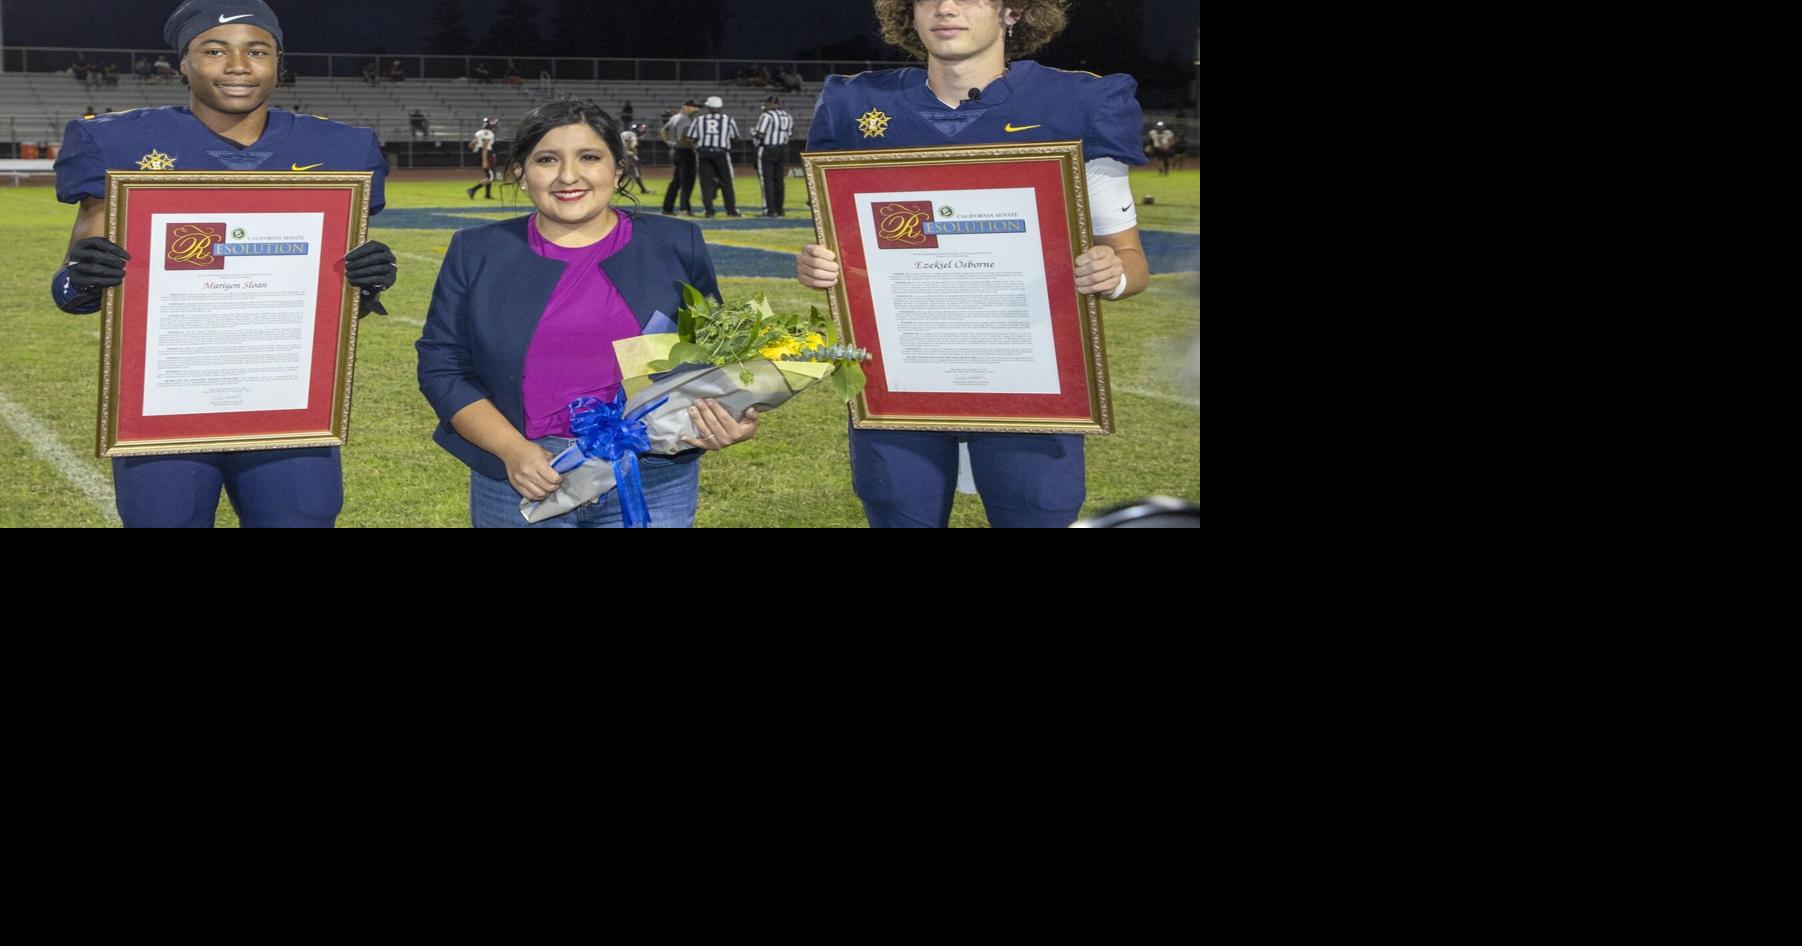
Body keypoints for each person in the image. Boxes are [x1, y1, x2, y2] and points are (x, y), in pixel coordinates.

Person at [795, 0, 1150, 528]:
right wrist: (820, 266)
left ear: (1013, 11)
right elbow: (848, 246)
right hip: (903, 374)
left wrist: (1112, 274)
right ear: (906, 14)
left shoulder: (1076, 101)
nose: (946, 7)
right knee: (898, 511)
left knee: (1036, 513)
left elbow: (1131, 261)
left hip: (1028, 376)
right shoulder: (857, 105)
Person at [50, 0, 397, 528]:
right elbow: (72, 287)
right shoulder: (115, 141)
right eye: (215, 50)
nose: (238, 65)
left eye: (257, 51)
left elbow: (331, 298)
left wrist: (364, 284)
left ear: (278, 62)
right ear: (182, 63)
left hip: (285, 398)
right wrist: (84, 276)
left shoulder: (340, 148)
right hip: (167, 402)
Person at [417, 99, 757, 529]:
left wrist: (734, 414)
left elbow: (714, 353)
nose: (568, 176)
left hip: (652, 474)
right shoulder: (477, 251)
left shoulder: (676, 243)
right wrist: (512, 450)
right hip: (523, 475)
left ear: (618, 168)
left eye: (589, 157)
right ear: (521, 173)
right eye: (546, 160)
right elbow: (442, 367)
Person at [691, 95, 740, 217]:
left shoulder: (699, 120)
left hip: (704, 152)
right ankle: (731, 210)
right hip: (721, 152)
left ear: (708, 107)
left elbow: (691, 137)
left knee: (706, 183)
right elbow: (735, 137)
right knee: (727, 182)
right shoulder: (728, 120)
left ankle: (709, 211)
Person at [752, 96, 793, 216]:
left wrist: (753, 133)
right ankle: (779, 209)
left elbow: (760, 134)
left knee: (766, 180)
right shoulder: (787, 116)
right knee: (779, 180)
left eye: (766, 103)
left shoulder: (766, 116)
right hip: (781, 150)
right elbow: (789, 135)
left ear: (770, 104)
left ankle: (769, 209)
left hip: (767, 149)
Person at [659, 99, 699, 216]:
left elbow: (663, 131)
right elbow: (683, 139)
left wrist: (670, 143)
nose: (696, 109)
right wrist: (695, 147)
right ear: (685, 107)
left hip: (676, 151)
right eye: (693, 107)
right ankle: (684, 208)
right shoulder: (685, 119)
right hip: (685, 152)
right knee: (687, 182)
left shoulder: (674, 117)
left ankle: (667, 207)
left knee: (676, 182)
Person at [466, 116, 500, 199]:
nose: (496, 128)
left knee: (489, 174)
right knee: (492, 177)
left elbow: (470, 145)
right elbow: (485, 147)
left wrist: (476, 148)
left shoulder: (479, 132)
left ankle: (487, 195)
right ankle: (473, 189)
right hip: (487, 154)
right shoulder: (489, 134)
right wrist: (484, 161)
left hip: (481, 153)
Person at [618, 122, 649, 194]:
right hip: (626, 155)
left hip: (617, 154)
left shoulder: (624, 133)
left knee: (621, 172)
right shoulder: (633, 136)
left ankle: (619, 188)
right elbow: (632, 146)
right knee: (635, 171)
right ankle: (643, 190)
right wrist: (635, 154)